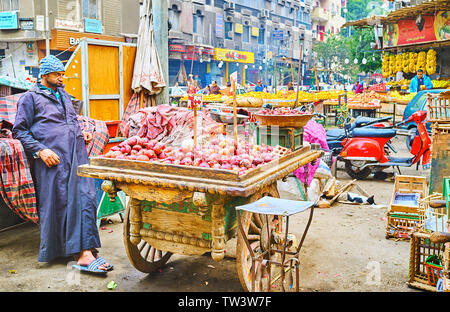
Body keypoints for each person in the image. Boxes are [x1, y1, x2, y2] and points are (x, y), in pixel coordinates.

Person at [12, 55, 112, 274]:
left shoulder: (63, 94)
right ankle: (80, 254)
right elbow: (19, 130)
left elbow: (70, 121)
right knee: (60, 202)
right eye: (57, 75)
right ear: (45, 75)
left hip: (76, 154)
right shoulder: (30, 98)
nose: (61, 78)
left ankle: (86, 250)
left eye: (62, 74)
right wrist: (41, 150)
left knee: (84, 199)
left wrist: (81, 133)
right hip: (53, 159)